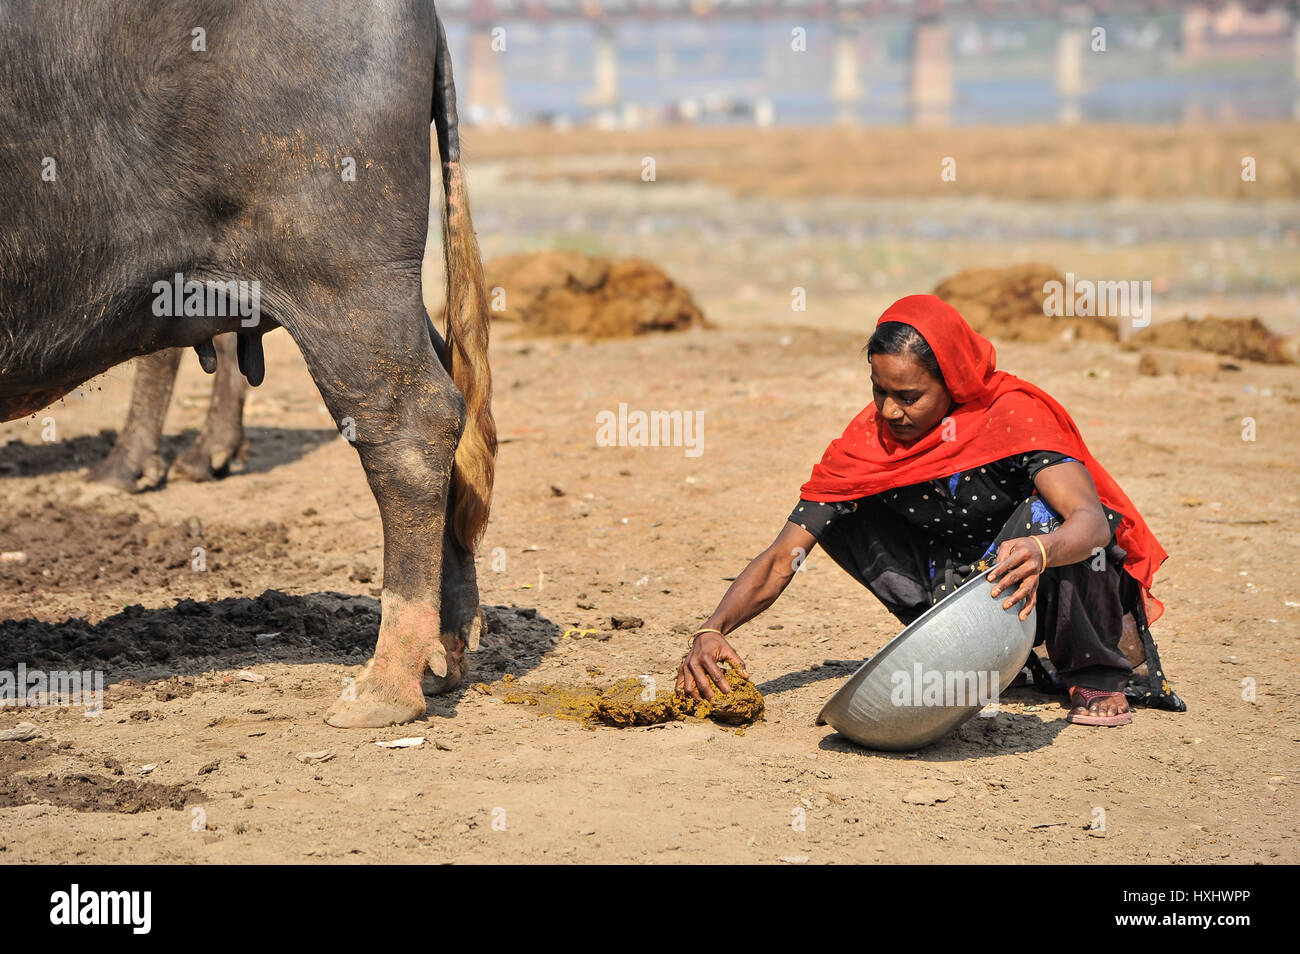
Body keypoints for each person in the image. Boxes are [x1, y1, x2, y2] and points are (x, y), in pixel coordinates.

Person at [675, 294, 1183, 727]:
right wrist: (713, 628)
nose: (889, 411)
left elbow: (1091, 523)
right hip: (962, 590)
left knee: (1048, 517)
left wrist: (1040, 549)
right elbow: (784, 554)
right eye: (879, 391)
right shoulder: (867, 443)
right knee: (839, 513)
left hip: (1046, 580)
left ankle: (1090, 672)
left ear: (955, 382)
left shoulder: (1013, 415)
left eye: (909, 396)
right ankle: (1008, 662)